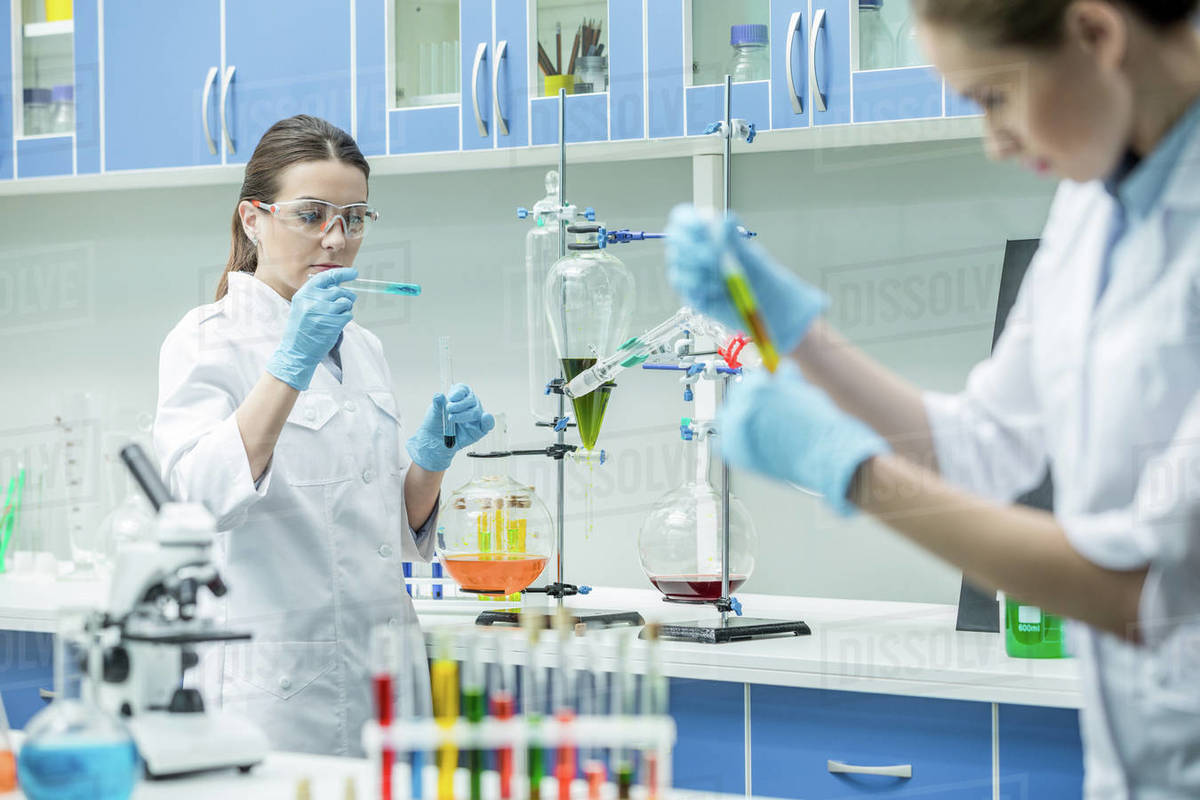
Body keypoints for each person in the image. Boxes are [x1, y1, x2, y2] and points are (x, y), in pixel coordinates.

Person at [667, 0, 1200, 796]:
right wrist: (801, 333)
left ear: (1097, 34)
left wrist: (853, 474)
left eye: (994, 98)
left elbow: (1142, 593)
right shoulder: (1094, 203)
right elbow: (980, 447)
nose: (993, 141)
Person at [153, 115, 494, 756]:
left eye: (354, 217)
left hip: (386, 672)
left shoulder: (364, 347)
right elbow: (197, 503)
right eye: (311, 214)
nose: (335, 239)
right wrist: (288, 365)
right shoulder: (207, 339)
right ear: (253, 219)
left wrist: (428, 464)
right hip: (279, 691)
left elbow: (378, 531)